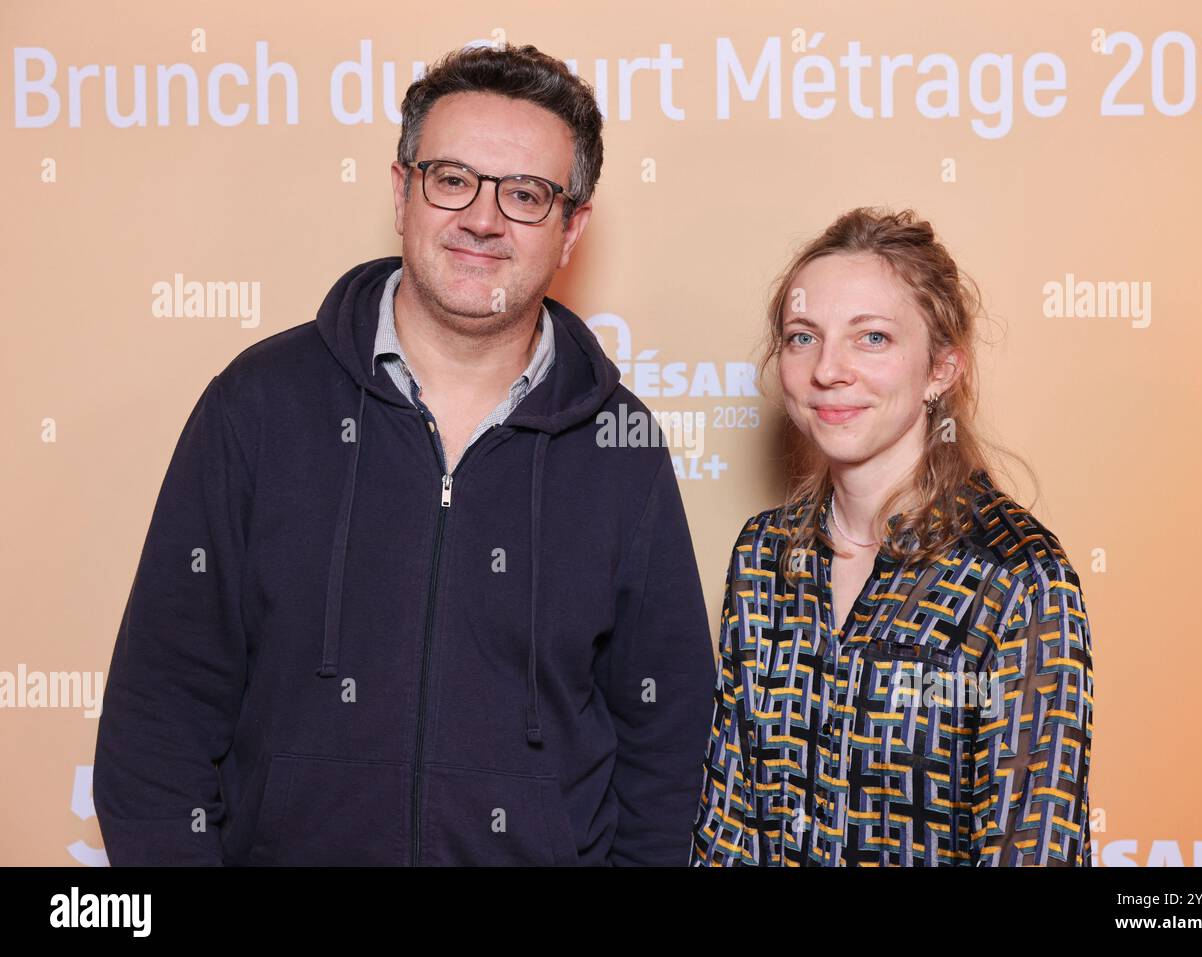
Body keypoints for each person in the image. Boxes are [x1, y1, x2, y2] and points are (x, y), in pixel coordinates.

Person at [93, 42, 715, 866]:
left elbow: (667, 752)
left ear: (572, 229)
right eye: (452, 179)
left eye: (526, 194)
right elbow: (158, 722)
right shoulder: (259, 405)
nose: (483, 219)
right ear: (401, 191)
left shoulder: (621, 445)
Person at [690, 207, 1094, 866]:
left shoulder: (1017, 576)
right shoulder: (764, 555)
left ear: (941, 368)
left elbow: (1036, 846)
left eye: (871, 337)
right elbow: (729, 823)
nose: (828, 370)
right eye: (802, 337)